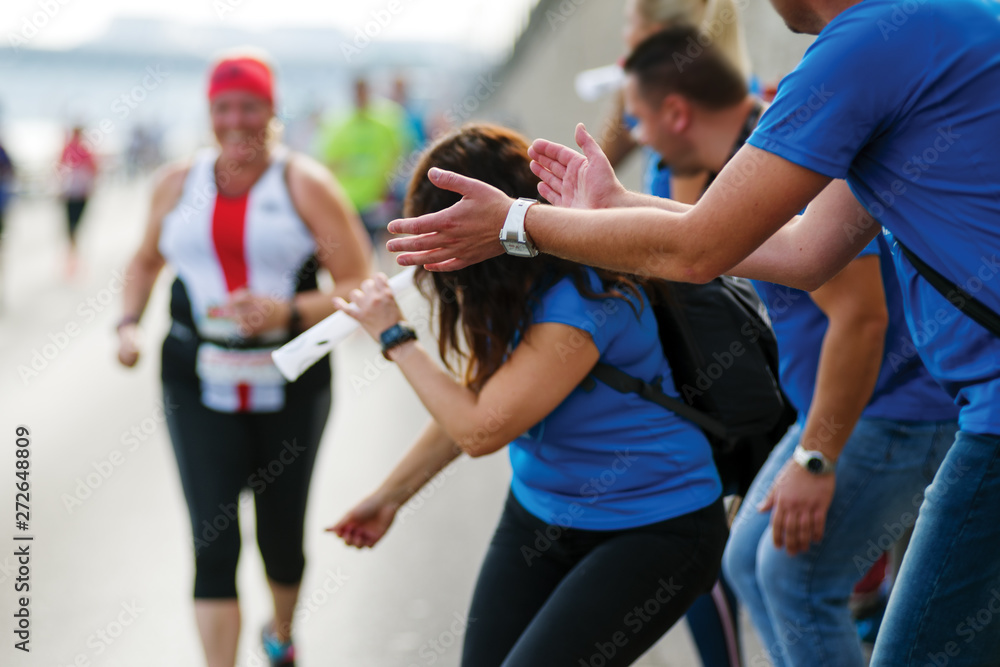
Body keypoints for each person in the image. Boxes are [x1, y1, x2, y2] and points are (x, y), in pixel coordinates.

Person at [385, 2, 1000, 664]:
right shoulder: (931, 28)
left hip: (970, 411)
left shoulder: (863, 49)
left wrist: (516, 225)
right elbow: (802, 251)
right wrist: (621, 206)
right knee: (762, 568)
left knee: (828, 602)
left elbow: (697, 253)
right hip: (973, 405)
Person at [330, 123, 728, 667]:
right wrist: (389, 496)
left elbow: (479, 430)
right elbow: (481, 401)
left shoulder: (585, 295)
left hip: (654, 526)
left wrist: (395, 339)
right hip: (540, 515)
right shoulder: (512, 288)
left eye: (444, 233)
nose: (438, 259)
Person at [621, 28, 961, 665]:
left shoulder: (790, 156)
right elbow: (700, 236)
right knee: (748, 562)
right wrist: (613, 206)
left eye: (636, 119)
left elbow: (860, 320)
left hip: (895, 412)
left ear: (677, 112)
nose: (636, 137)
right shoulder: (741, 160)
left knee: (793, 581)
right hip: (838, 407)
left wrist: (816, 461)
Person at [116, 52, 371, 667]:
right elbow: (146, 259)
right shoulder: (176, 182)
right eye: (223, 108)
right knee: (213, 536)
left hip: (290, 376)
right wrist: (127, 324)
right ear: (209, 114)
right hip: (195, 375)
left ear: (271, 110)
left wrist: (286, 310)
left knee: (281, 536)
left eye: (249, 106)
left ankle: (280, 635)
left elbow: (361, 282)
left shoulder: (304, 184)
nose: (237, 121)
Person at [600, 0, 753, 205]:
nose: (624, 35)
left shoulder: (689, 131)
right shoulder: (731, 87)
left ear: (655, 39)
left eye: (629, 23)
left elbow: (684, 232)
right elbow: (604, 157)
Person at [318, 78, 404, 248]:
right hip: (349, 199)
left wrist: (387, 184)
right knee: (356, 245)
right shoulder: (338, 124)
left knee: (375, 245)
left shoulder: (387, 120)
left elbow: (398, 154)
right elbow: (329, 163)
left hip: (376, 197)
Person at [57, 125, 98, 276]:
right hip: (73, 193)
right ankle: (72, 256)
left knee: (74, 227)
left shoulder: (81, 149)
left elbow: (93, 169)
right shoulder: (76, 149)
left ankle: (73, 256)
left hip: (78, 193)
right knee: (72, 227)